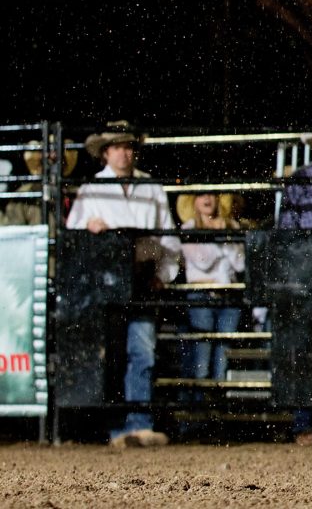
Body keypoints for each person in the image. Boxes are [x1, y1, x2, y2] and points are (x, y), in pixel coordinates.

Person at [66, 125, 181, 447]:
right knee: (114, 353)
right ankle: (116, 426)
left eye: (128, 147)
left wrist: (164, 273)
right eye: (117, 147)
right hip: (106, 280)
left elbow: (167, 235)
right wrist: (88, 226)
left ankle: (138, 423)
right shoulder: (91, 189)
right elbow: (73, 233)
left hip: (142, 276)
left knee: (142, 351)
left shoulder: (151, 187)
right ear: (106, 152)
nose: (124, 153)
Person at [176, 191, 245, 384]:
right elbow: (202, 260)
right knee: (202, 353)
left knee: (223, 352)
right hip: (201, 294)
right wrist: (223, 239)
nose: (207, 199)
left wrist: (222, 239)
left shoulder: (232, 225)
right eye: (201, 195)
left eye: (212, 195)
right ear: (194, 202)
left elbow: (240, 264)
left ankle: (216, 402)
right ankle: (199, 404)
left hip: (229, 295)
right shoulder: (189, 228)